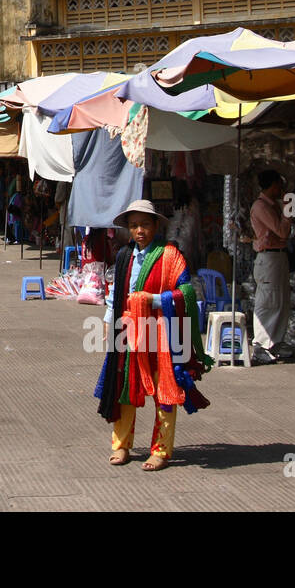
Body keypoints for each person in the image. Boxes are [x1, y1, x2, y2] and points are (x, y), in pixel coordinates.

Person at [94, 199, 210, 472]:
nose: (140, 231)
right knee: (124, 388)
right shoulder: (124, 256)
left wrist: (155, 300)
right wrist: (109, 324)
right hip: (128, 332)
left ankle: (160, 449)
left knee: (164, 391)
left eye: (145, 224)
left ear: (156, 226)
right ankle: (121, 445)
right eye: (134, 226)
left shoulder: (171, 256)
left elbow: (188, 294)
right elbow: (114, 296)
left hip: (162, 335)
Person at [249, 169, 292, 364]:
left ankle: (275, 342)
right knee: (268, 301)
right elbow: (282, 231)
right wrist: (288, 211)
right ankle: (261, 344)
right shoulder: (261, 207)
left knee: (281, 300)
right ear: (272, 185)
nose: (280, 189)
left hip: (278, 257)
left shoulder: (272, 205)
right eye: (278, 185)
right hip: (269, 258)